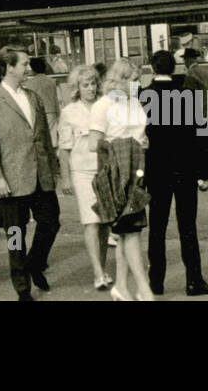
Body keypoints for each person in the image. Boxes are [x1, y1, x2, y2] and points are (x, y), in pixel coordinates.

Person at [0, 46, 61, 302]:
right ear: (9, 67)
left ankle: (34, 263)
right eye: (24, 64)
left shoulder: (33, 97)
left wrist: (54, 170)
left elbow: (44, 137)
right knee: (15, 233)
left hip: (41, 176)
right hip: (11, 180)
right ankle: (22, 286)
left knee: (51, 222)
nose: (28, 67)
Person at [144, 50, 208, 296]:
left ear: (152, 68)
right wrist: (203, 173)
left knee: (157, 228)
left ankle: (156, 281)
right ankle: (194, 281)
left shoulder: (144, 96)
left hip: (156, 172)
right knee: (188, 227)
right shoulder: (187, 96)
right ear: (174, 68)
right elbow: (201, 137)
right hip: (185, 171)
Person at [90, 57, 155, 301]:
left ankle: (121, 287)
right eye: (136, 79)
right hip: (115, 174)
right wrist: (125, 146)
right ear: (122, 79)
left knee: (127, 232)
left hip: (136, 172)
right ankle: (144, 288)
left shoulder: (135, 103)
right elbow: (91, 144)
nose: (140, 83)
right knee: (131, 231)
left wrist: (142, 142)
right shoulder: (103, 106)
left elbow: (139, 133)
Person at [58, 65, 111, 289]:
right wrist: (66, 178)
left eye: (93, 84)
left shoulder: (105, 107)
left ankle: (102, 266)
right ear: (77, 88)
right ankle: (98, 273)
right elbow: (64, 148)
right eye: (85, 85)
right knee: (91, 222)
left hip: (106, 170)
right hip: (82, 172)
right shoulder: (69, 112)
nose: (90, 88)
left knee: (105, 223)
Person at [24, 56, 62, 147]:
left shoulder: (29, 83)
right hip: (51, 112)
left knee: (40, 136)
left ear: (33, 69)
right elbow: (56, 99)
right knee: (53, 138)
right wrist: (58, 114)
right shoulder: (52, 81)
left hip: (37, 112)